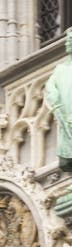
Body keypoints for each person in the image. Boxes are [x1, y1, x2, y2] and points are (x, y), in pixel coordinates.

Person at [45, 29, 72, 170]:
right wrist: (55, 101)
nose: (67, 42)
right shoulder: (60, 68)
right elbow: (50, 86)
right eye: (67, 39)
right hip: (64, 113)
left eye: (70, 39)